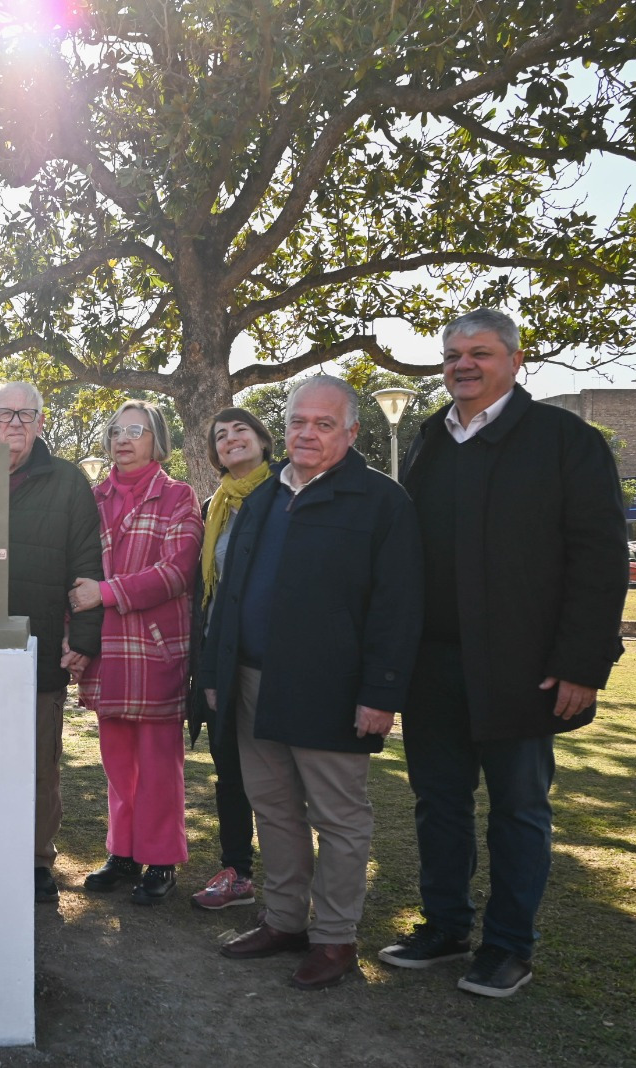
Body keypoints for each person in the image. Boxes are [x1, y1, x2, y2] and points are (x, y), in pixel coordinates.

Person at [383, 309, 627, 998]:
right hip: (434, 666)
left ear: (516, 361)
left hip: (525, 667)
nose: (463, 364)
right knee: (438, 802)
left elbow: (599, 558)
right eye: (452, 354)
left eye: (481, 353)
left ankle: (509, 946)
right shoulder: (430, 439)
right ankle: (445, 926)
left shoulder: (565, 440)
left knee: (519, 809)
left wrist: (583, 663)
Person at [199, 375, 423, 991]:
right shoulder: (264, 496)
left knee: (339, 818)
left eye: (324, 424)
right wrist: (216, 672)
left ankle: (335, 939)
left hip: (332, 689)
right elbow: (230, 592)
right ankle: (284, 920)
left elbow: (399, 606)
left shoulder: (381, 502)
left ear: (352, 432)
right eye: (298, 421)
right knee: (272, 808)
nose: (308, 433)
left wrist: (381, 693)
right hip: (251, 682)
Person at [71, 401, 202, 905]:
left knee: (159, 766)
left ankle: (161, 858)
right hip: (106, 649)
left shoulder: (178, 495)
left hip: (154, 649)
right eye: (115, 430)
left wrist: (106, 593)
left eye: (135, 430)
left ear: (157, 440)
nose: (122, 439)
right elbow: (75, 572)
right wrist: (74, 638)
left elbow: (176, 572)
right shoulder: (93, 497)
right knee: (117, 762)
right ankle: (123, 852)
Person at [0, 381, 104, 904]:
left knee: (37, 764)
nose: (15, 423)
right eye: (4, 414)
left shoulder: (69, 481)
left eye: (26, 414)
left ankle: (34, 860)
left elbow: (87, 563)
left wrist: (84, 640)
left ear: (41, 422)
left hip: (39, 646)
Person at [186, 408, 275, 910]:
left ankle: (287, 885)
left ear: (263, 440)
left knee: (278, 777)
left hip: (269, 660)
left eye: (241, 429)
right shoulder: (214, 506)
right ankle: (237, 872)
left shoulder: (284, 496)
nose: (230, 439)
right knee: (231, 771)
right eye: (220, 435)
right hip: (220, 657)